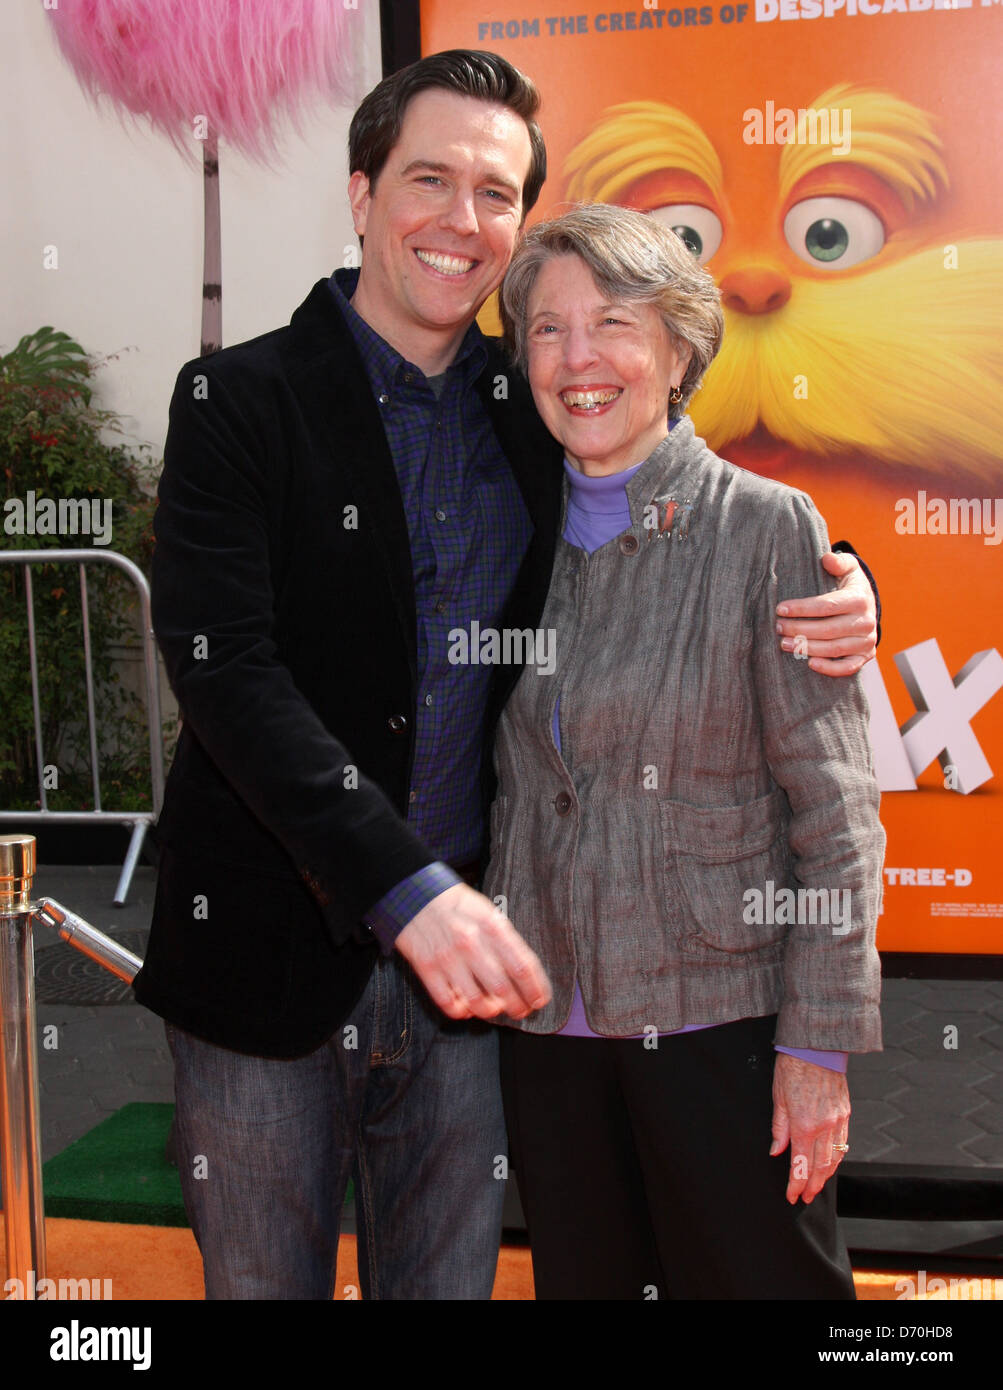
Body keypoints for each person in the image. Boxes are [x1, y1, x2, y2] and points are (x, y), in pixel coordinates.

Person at [133, 51, 879, 1301]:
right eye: (429, 179)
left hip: (475, 1010)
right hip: (268, 970)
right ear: (362, 192)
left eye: (496, 192)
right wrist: (405, 888)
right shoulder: (237, 399)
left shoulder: (520, 402)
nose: (462, 220)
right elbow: (226, 672)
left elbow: (666, 487)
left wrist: (839, 574)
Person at [485, 202, 885, 1300]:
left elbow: (837, 817)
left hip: (725, 1024)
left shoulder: (765, 530)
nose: (578, 360)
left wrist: (817, 1050)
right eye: (548, 330)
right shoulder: (501, 531)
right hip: (549, 1027)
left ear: (678, 347)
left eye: (612, 322)